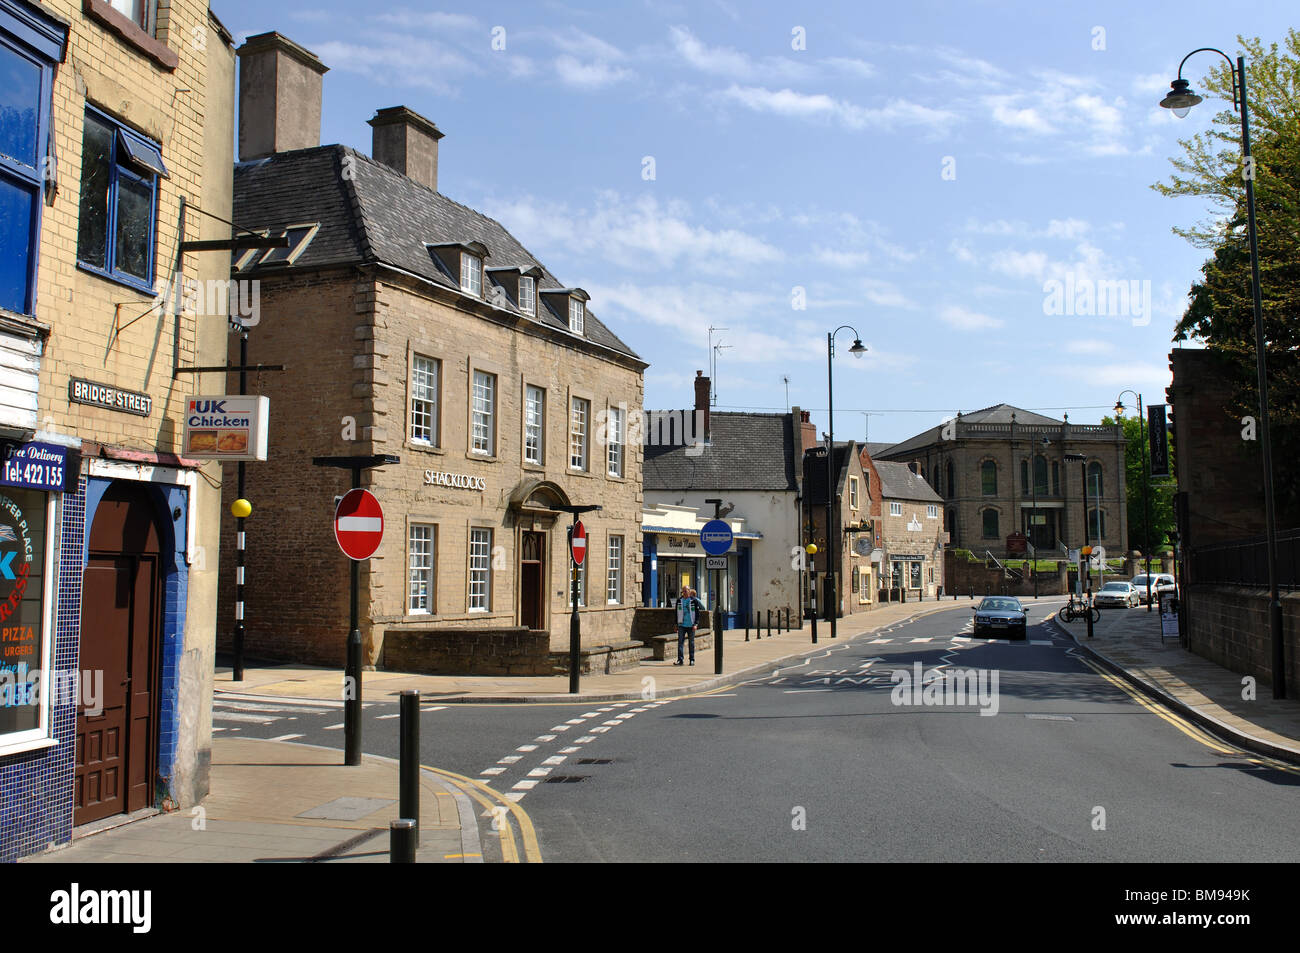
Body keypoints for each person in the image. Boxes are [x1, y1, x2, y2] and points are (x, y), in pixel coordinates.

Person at [675, 587, 704, 666]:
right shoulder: (679, 600)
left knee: (691, 643)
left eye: (686, 591)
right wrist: (676, 624)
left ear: (689, 591)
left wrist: (695, 624)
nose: (684, 592)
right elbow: (676, 613)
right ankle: (680, 660)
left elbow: (697, 613)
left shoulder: (693, 601)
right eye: (683, 591)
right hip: (681, 624)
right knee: (680, 642)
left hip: (691, 625)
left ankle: (692, 659)